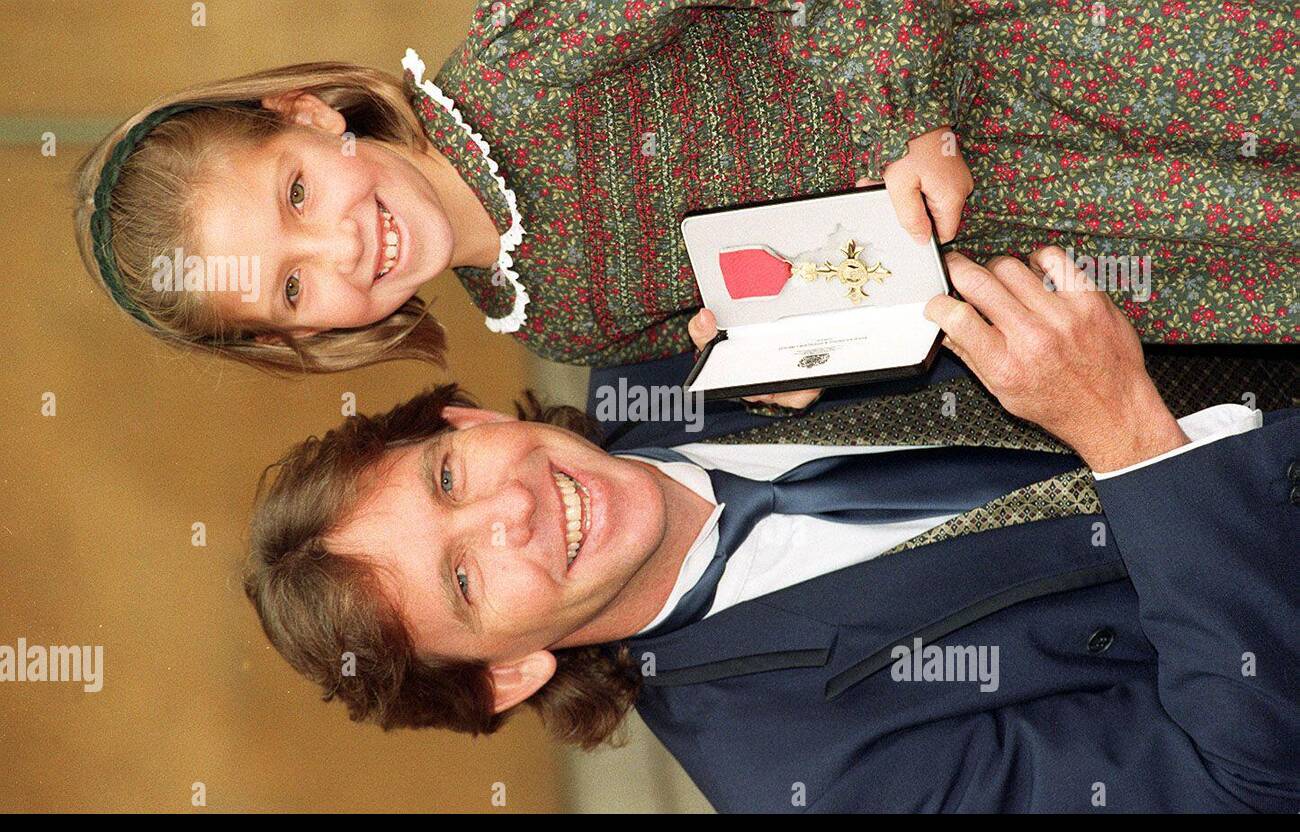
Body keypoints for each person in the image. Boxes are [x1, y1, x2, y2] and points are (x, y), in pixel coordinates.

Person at [241, 248, 1299, 811]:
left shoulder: (671, 325)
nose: (508, 510)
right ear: (508, 674)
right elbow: (1236, 797)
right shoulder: (819, 781)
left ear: (465, 419)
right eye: (464, 580)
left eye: (447, 475)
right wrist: (1131, 443)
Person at [74, 0, 1295, 381]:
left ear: (307, 115)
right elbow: (813, 319)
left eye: (294, 193)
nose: (339, 248)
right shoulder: (556, 323)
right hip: (1078, 252)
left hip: (1049, 81)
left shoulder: (523, 54)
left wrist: (906, 115)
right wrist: (780, 368)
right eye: (293, 287)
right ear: (305, 335)